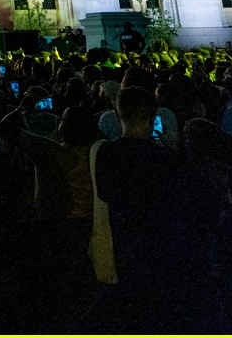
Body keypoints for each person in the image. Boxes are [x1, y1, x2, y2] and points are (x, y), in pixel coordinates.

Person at [87, 86, 217, 332]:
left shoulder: (104, 152)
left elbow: (104, 194)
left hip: (124, 246)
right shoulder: (168, 159)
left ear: (118, 114)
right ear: (151, 118)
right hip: (163, 248)